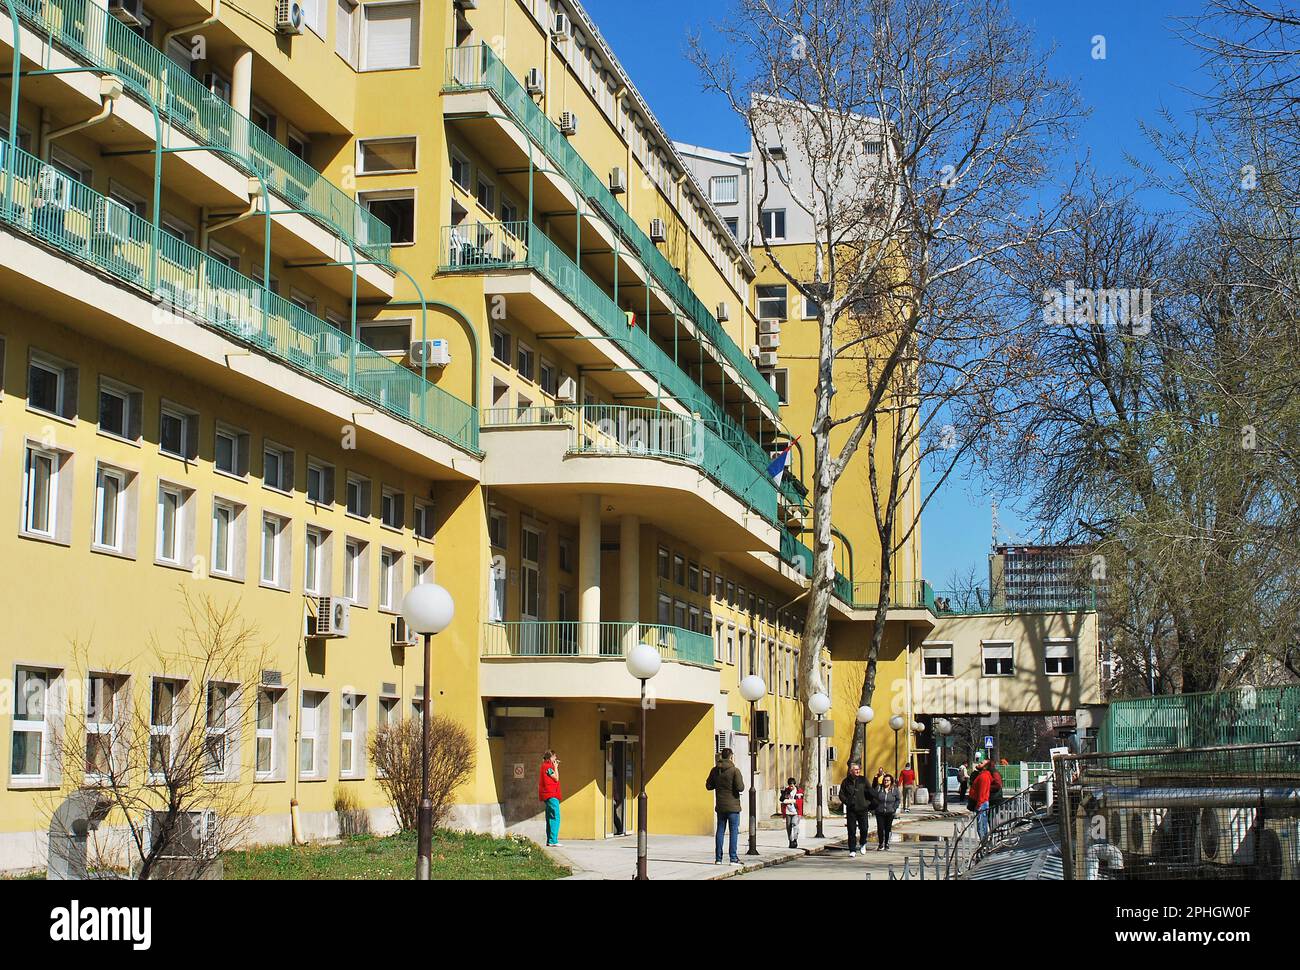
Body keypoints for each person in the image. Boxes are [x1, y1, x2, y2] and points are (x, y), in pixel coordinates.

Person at [706, 748, 745, 865]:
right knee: (733, 831)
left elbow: (709, 786)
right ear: (731, 757)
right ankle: (733, 858)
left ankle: (718, 858)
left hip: (720, 806)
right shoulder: (734, 771)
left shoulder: (715, 770)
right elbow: (740, 787)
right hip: (733, 806)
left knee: (720, 830)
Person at [839, 762, 876, 858]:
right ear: (851, 771)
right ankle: (852, 849)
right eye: (855, 769)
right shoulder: (845, 782)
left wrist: (869, 801)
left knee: (864, 828)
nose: (858, 771)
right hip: (851, 809)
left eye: (859, 769)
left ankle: (863, 843)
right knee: (851, 830)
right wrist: (847, 802)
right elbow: (841, 794)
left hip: (863, 808)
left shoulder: (863, 780)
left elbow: (870, 791)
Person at [538, 751, 562, 847]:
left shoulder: (544, 766)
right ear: (550, 757)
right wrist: (556, 767)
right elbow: (556, 778)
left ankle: (550, 840)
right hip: (551, 794)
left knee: (550, 817)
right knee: (555, 817)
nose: (556, 758)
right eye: (554, 756)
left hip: (548, 795)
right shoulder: (548, 767)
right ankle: (553, 840)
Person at [873, 772, 901, 850]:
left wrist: (894, 808)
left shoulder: (894, 789)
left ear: (891, 781)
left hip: (890, 812)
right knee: (880, 828)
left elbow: (898, 800)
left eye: (888, 780)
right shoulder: (879, 788)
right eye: (885, 780)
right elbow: (874, 798)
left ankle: (887, 843)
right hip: (880, 812)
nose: (886, 782)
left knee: (888, 828)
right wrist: (875, 807)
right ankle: (881, 843)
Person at [968, 760, 994, 838]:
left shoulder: (984, 776)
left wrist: (979, 804)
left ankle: (984, 843)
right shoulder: (982, 775)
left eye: (981, 763)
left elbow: (982, 793)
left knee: (981, 826)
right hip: (982, 802)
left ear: (985, 767)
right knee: (982, 824)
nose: (979, 763)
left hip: (981, 803)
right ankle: (984, 842)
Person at [780, 777, 805, 849]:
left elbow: (800, 803)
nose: (791, 787)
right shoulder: (786, 791)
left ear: (794, 785)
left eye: (792, 786)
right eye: (790, 786)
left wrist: (800, 814)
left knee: (795, 825)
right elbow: (781, 799)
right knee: (788, 827)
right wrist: (786, 797)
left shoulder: (799, 791)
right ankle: (790, 841)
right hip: (788, 812)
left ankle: (795, 840)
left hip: (795, 812)